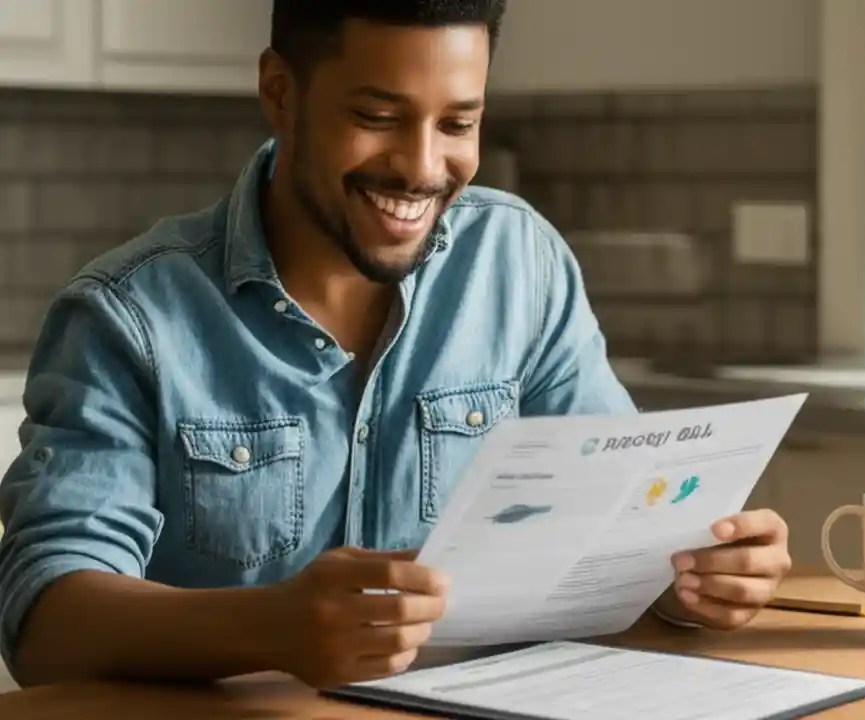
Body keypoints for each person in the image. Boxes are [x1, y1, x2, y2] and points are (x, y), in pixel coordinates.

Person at [0, 0, 792, 690]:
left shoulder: (520, 262)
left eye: (458, 123)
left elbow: (612, 523)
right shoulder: (126, 316)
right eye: (377, 117)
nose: (421, 168)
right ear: (281, 92)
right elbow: (44, 619)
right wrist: (268, 628)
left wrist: (686, 577)